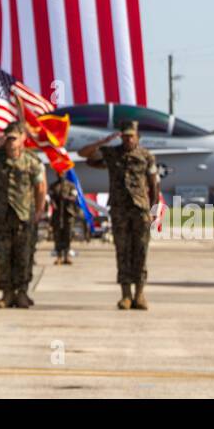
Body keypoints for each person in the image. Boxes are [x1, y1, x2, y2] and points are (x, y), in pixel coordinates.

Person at [79, 121, 159, 310]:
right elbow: (85, 155)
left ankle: (139, 294)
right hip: (120, 210)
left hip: (140, 210)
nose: (128, 139)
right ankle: (125, 295)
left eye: (131, 136)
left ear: (137, 137)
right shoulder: (112, 153)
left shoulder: (147, 156)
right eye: (125, 136)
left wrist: (153, 211)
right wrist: (102, 141)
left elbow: (154, 184)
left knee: (140, 250)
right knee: (122, 251)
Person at [0, 122, 46, 308]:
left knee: (24, 256)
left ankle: (22, 292)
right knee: (4, 256)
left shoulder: (31, 160)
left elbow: (40, 187)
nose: (10, 142)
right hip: (2, 215)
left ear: (22, 139)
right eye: (8, 138)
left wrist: (38, 211)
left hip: (24, 216)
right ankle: (7, 293)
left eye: (13, 138)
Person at [48, 171, 81, 265]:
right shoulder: (53, 186)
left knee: (68, 235)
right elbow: (51, 198)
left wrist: (66, 197)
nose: (60, 175)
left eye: (62, 173)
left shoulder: (71, 186)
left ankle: (66, 256)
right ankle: (59, 256)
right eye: (59, 173)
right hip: (57, 214)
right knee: (57, 235)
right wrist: (53, 203)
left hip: (68, 214)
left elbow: (74, 197)